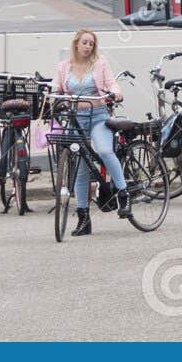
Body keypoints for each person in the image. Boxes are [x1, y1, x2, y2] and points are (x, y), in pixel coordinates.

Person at [53, 29, 128, 237]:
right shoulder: (63, 66)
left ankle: (123, 193)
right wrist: (49, 94)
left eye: (91, 44)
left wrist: (117, 92)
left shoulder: (100, 63)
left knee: (104, 151)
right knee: (80, 166)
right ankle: (83, 218)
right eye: (84, 42)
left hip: (98, 115)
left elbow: (111, 82)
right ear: (76, 43)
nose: (88, 47)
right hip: (75, 118)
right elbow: (56, 87)